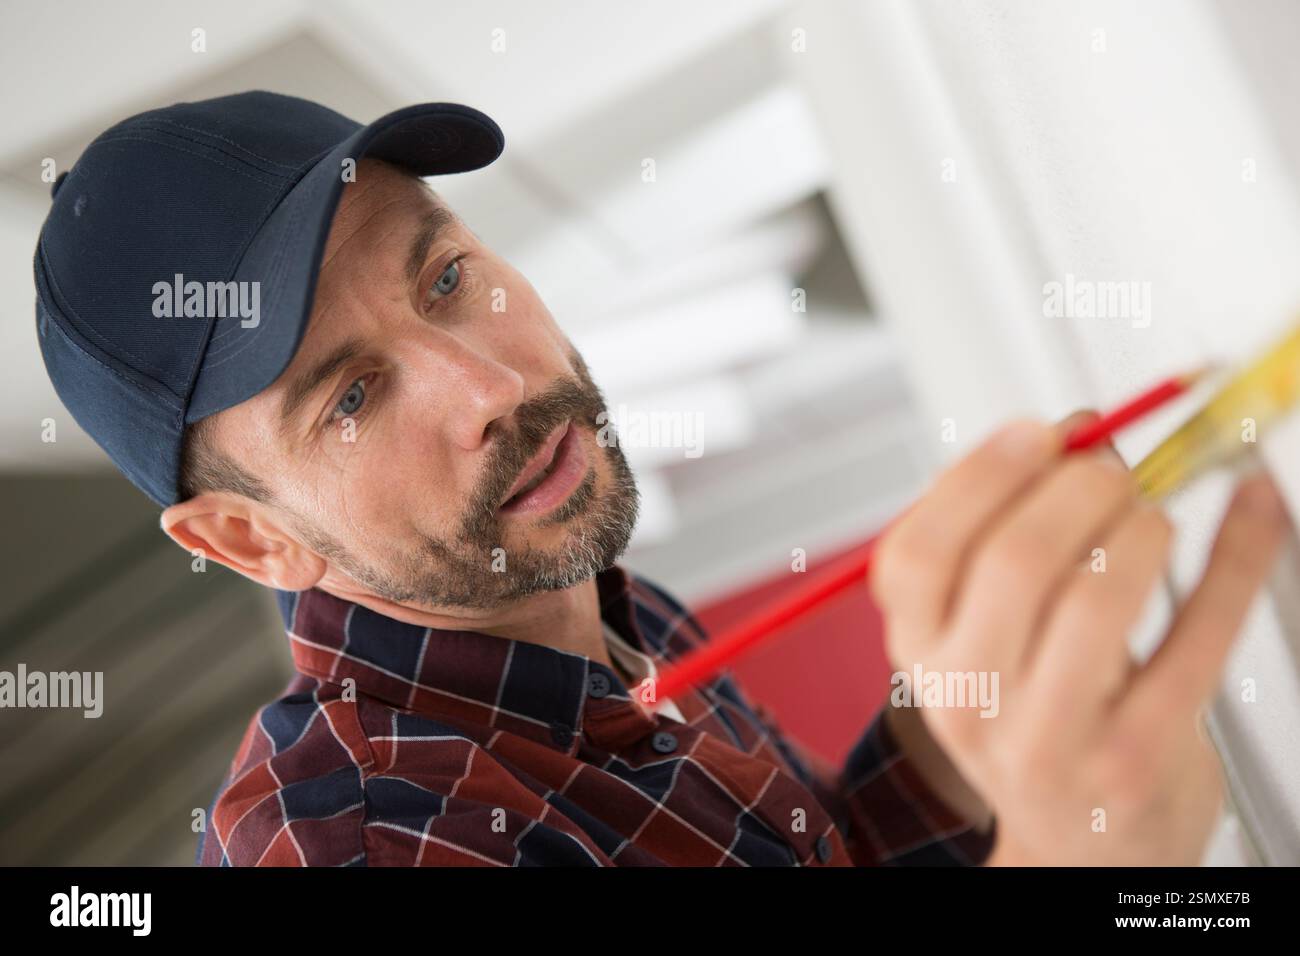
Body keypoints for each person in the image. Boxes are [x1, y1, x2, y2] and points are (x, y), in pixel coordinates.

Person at [33, 91, 1286, 866]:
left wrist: (963, 731)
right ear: (252, 541)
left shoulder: (569, 591)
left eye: (447, 279)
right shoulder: (351, 844)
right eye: (352, 398)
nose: (492, 391)